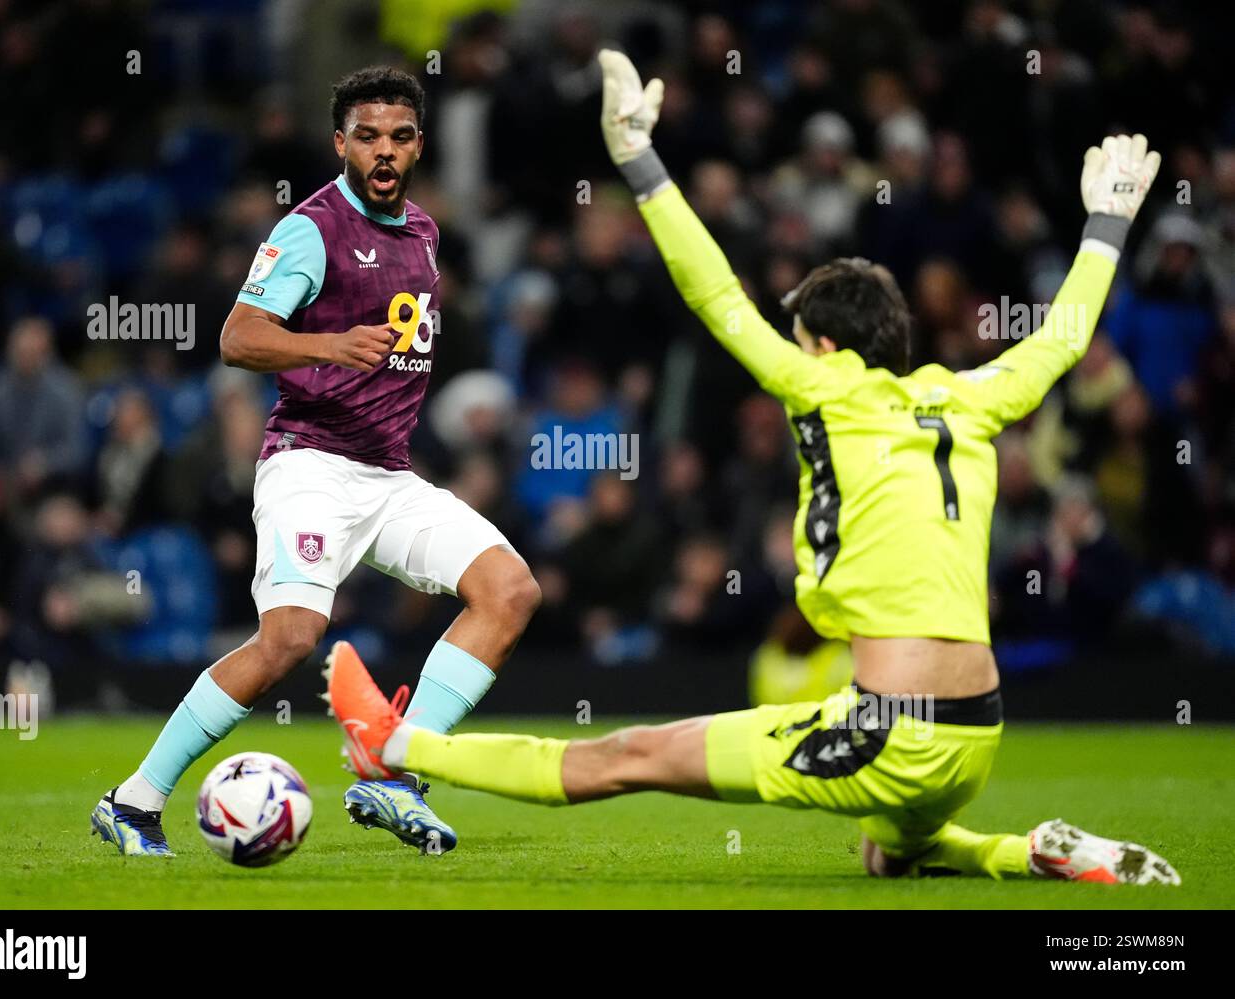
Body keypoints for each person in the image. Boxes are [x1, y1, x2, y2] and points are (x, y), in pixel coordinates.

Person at [325, 51, 1178, 884]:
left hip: (894, 731)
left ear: (827, 343)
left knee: (629, 754)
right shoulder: (974, 395)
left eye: (801, 334)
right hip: (976, 733)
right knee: (892, 853)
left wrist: (638, 159)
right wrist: (1107, 223)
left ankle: (392, 744)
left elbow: (714, 294)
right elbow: (1064, 337)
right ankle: (1022, 849)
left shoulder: (824, 386)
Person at [92, 67, 540, 857]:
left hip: (388, 474)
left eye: (399, 136)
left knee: (509, 590)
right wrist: (329, 344)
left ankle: (396, 773)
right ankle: (133, 800)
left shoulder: (426, 234)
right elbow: (237, 336)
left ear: (420, 145)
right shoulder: (312, 228)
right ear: (341, 143)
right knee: (291, 637)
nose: (384, 150)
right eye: (367, 135)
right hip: (310, 462)